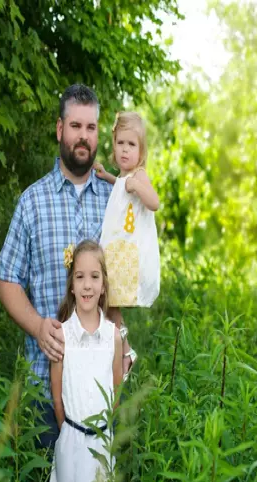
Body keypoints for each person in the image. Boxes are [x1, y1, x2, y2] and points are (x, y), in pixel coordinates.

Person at [0, 84, 135, 448]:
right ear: (60, 130)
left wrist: (123, 342)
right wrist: (39, 327)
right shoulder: (32, 202)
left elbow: (120, 284)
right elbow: (7, 281)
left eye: (90, 127)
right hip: (44, 385)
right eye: (75, 126)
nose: (83, 137)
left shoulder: (115, 201)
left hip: (100, 384)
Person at [46, 240, 122, 482]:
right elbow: (57, 397)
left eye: (94, 277)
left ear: (103, 286)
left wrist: (100, 432)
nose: (87, 284)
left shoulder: (113, 336)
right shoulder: (62, 335)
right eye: (80, 277)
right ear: (72, 285)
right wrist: (70, 430)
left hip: (102, 442)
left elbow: (116, 392)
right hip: (70, 441)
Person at [96, 111, 160, 374]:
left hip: (126, 256)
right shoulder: (124, 178)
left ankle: (124, 351)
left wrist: (137, 186)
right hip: (115, 252)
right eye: (120, 143)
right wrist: (108, 177)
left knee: (108, 302)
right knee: (108, 305)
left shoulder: (139, 175)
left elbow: (154, 202)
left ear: (141, 150)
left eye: (131, 144)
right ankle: (123, 350)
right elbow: (122, 187)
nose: (125, 149)